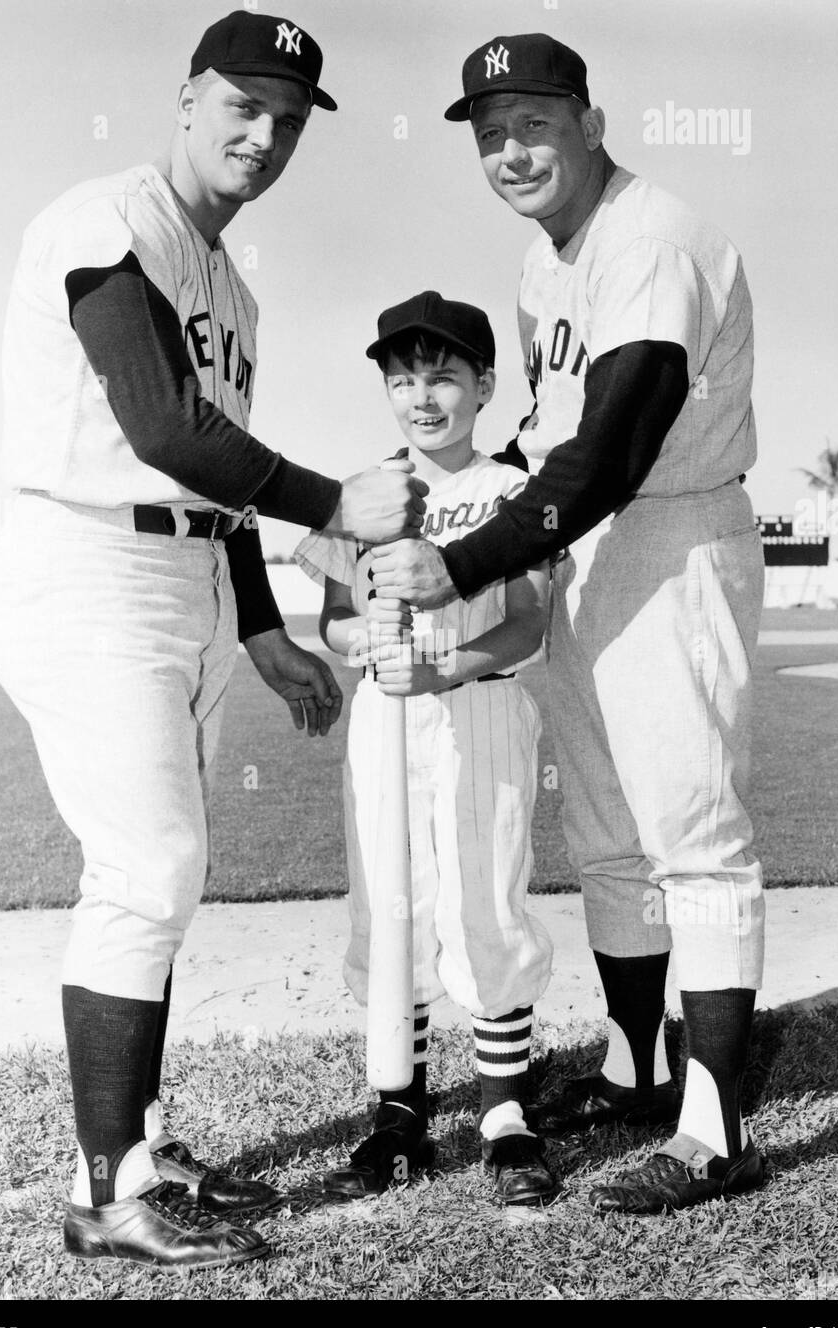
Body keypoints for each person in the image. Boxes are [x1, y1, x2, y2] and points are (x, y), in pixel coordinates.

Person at [0, 11, 425, 1270]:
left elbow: (215, 486)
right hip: (87, 561)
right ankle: (104, 1195)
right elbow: (166, 427)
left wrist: (267, 626)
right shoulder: (102, 218)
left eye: (287, 118)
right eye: (242, 103)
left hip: (181, 575)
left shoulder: (231, 285)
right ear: (186, 100)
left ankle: (137, 1149)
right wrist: (335, 503)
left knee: (163, 878)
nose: (264, 133)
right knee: (150, 864)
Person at [370, 32, 767, 1215]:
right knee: (605, 826)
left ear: (592, 123)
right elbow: (549, 447)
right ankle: (637, 1064)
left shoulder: (650, 238)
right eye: (491, 133)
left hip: (667, 532)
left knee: (693, 831)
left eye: (535, 122)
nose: (511, 148)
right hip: (584, 545)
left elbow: (608, 450)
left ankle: (714, 1128)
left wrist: (461, 557)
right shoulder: (550, 259)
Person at [295, 292, 556, 1207]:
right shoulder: (362, 493)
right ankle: (398, 1109)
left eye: (442, 375)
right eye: (403, 379)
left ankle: (504, 1115)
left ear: (484, 385)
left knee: (484, 892)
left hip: (478, 706)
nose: (422, 396)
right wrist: (358, 641)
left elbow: (528, 625)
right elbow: (330, 620)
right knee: (391, 898)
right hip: (386, 718)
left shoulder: (511, 491)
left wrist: (447, 668)